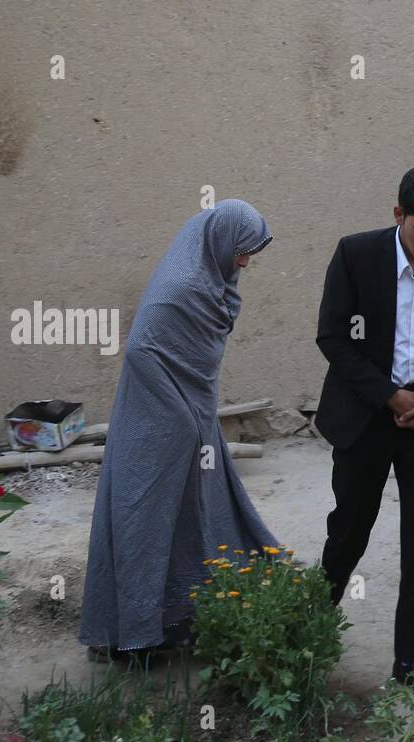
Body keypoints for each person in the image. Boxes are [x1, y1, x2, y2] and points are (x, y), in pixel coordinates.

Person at [80, 199, 278, 657]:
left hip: (192, 424)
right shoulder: (181, 288)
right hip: (154, 428)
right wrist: (176, 412)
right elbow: (141, 352)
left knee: (196, 515)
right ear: (220, 241)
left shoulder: (214, 283)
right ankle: (133, 637)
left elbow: (198, 358)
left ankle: (183, 621)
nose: (246, 260)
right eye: (243, 250)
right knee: (146, 517)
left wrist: (193, 417)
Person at [314, 167, 414, 699]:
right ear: (398, 214)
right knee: (349, 533)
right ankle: (307, 638)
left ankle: (411, 662)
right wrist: (387, 393)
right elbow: (333, 337)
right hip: (365, 417)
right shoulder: (356, 254)